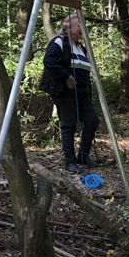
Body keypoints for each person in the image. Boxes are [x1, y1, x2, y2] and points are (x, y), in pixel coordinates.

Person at [42, 14, 99, 173]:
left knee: (92, 120)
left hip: (82, 93)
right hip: (65, 91)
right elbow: (49, 61)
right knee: (69, 124)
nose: (83, 30)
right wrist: (66, 76)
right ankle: (70, 161)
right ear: (69, 27)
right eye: (80, 26)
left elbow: (85, 73)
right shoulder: (59, 42)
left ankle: (83, 156)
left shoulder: (82, 48)